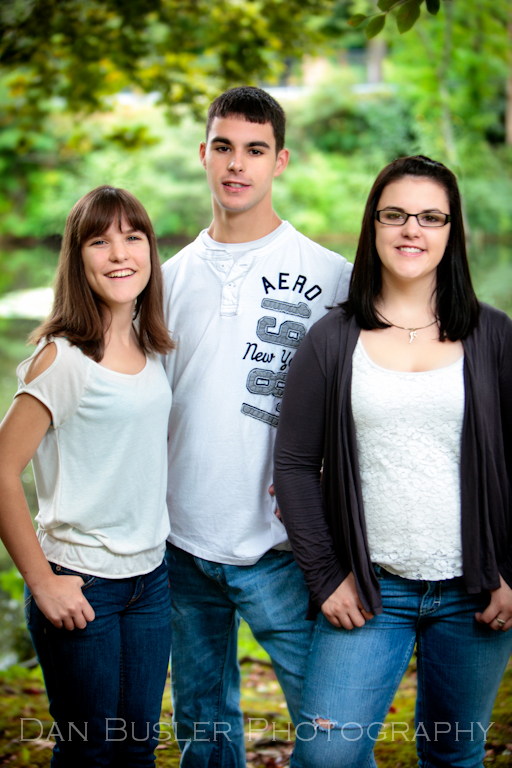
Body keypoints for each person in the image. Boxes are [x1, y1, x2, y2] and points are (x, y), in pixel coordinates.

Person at [274, 155, 512, 768]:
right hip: (370, 591)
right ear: (373, 226)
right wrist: (326, 576)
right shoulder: (332, 339)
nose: (413, 229)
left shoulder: (494, 336)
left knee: (456, 757)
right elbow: (295, 465)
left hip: (476, 591)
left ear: (453, 231)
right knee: (327, 756)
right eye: (396, 215)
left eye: (431, 217)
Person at [162, 86, 353, 767]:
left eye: (254, 149)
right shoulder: (162, 280)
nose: (236, 165)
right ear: (203, 154)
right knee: (203, 736)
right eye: (223, 147)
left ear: (281, 161)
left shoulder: (334, 279)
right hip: (180, 549)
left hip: (285, 552)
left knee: (333, 734)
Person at [0, 186, 174, 767]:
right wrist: (43, 581)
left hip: (149, 582)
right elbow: (1, 469)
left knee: (138, 750)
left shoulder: (151, 347)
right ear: (78, 259)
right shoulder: (64, 358)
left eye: (132, 237)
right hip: (83, 584)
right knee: (90, 754)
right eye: (99, 241)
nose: (119, 253)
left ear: (151, 248)